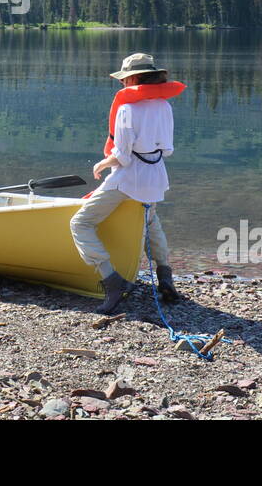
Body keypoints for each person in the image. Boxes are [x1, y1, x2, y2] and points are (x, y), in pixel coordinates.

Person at [70, 52, 185, 314]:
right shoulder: (165, 106)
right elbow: (167, 149)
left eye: (124, 79)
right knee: (151, 221)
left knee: (81, 223)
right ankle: (166, 278)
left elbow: (121, 156)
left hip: (128, 179)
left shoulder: (127, 108)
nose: (122, 84)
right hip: (156, 179)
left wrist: (101, 164)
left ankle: (113, 282)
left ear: (132, 79)